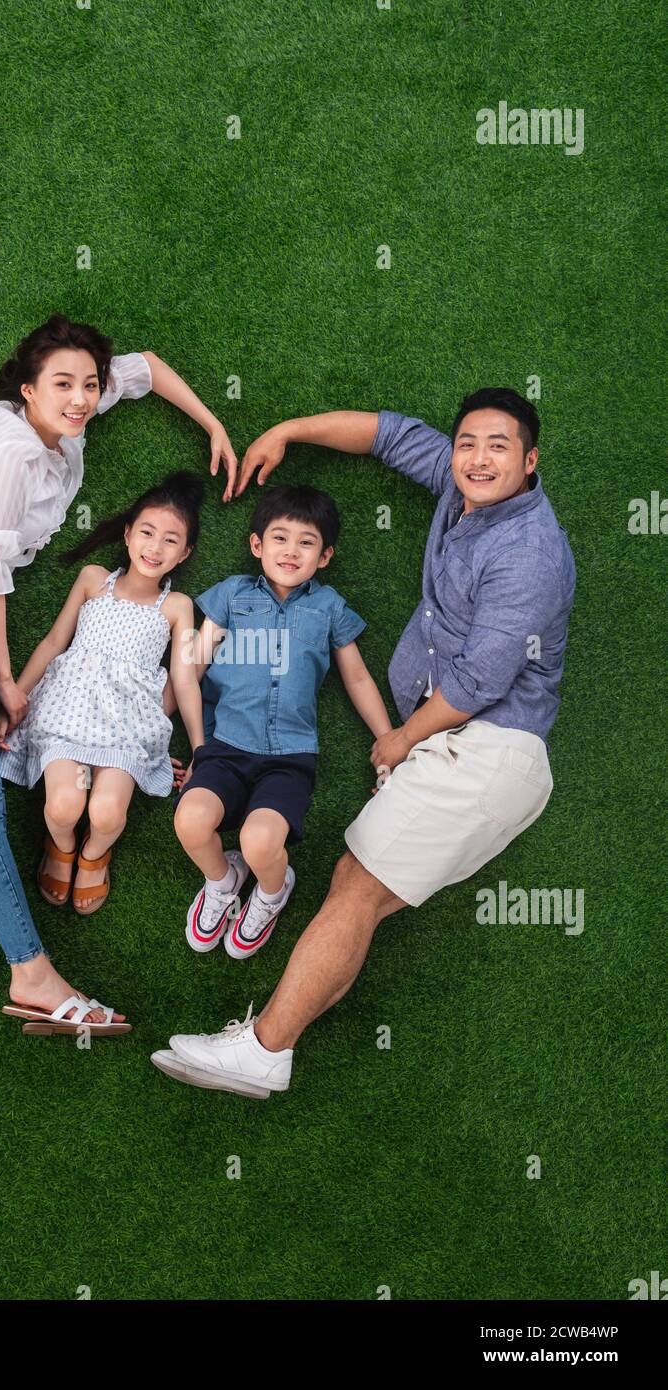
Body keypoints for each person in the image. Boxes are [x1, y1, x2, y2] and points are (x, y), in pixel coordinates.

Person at [151, 387, 576, 1097]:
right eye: (467, 444)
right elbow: (386, 434)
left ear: (530, 461)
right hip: (461, 748)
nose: (477, 458)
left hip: (482, 747)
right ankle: (271, 1043)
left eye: (499, 447)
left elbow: (477, 682)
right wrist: (287, 428)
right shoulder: (462, 484)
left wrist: (398, 739)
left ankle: (264, 1049)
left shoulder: (528, 554)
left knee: (355, 889)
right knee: (362, 897)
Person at [0, 313, 237, 1037]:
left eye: (89, 385)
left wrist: (213, 425)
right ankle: (32, 976)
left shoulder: (67, 411)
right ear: (28, 389)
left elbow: (147, 368)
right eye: (63, 385)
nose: (81, 399)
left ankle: (41, 950)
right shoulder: (12, 452)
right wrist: (10, 683)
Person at [171, 483, 392, 961]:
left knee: (260, 842)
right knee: (189, 820)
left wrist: (387, 739)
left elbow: (356, 677)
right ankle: (222, 880)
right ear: (257, 545)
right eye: (280, 538)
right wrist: (195, 746)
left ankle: (272, 892)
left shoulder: (328, 607)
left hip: (289, 759)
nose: (291, 551)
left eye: (306, 542)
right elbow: (190, 670)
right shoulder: (233, 595)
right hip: (224, 749)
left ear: (325, 556)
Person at [0, 473, 203, 951]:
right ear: (128, 534)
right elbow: (54, 641)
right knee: (63, 806)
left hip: (127, 724)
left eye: (171, 540)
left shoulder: (177, 606)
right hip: (67, 711)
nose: (155, 547)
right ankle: (62, 845)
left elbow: (185, 678)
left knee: (107, 814)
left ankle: (93, 853)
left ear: (185, 553)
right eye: (147, 532)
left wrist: (200, 748)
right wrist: (16, 697)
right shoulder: (93, 579)